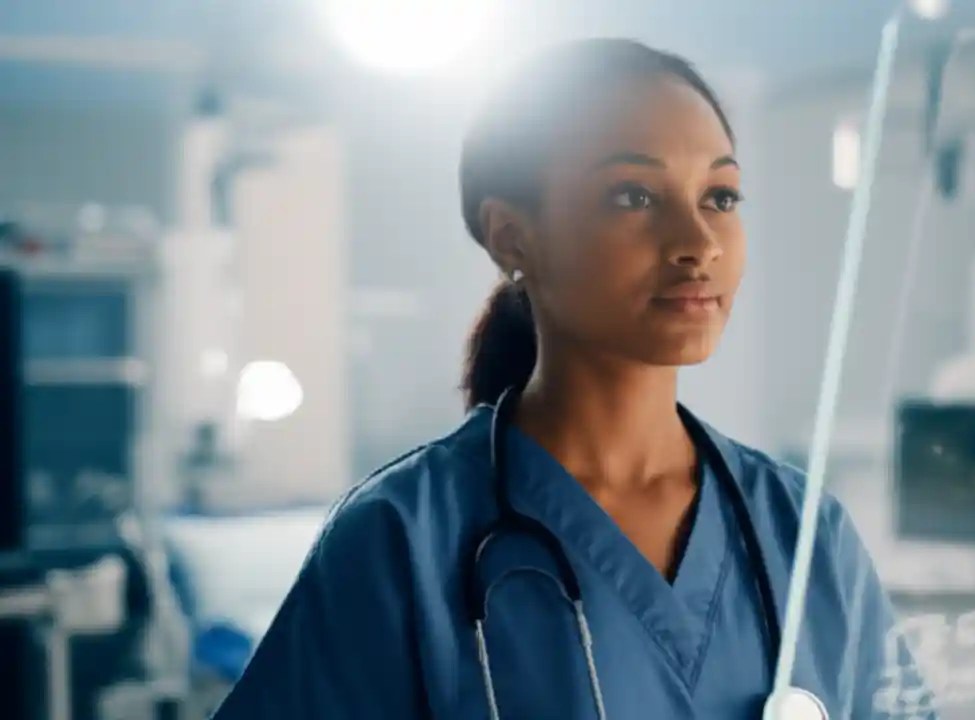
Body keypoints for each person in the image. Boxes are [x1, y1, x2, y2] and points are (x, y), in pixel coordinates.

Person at [212, 38, 928, 719]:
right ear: (512, 236)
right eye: (634, 196)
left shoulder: (804, 537)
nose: (698, 242)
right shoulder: (402, 540)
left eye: (721, 197)